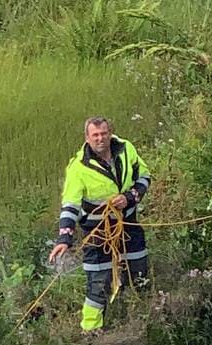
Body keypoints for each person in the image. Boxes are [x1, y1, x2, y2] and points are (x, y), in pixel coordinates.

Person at [47, 117, 153, 333]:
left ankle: (143, 323)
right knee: (98, 285)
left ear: (110, 133)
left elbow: (144, 176)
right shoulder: (78, 167)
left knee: (140, 275)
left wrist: (130, 197)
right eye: (95, 135)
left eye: (104, 133)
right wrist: (64, 237)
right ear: (87, 138)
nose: (100, 139)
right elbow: (70, 204)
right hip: (98, 233)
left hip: (128, 225)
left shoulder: (126, 149)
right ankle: (91, 333)